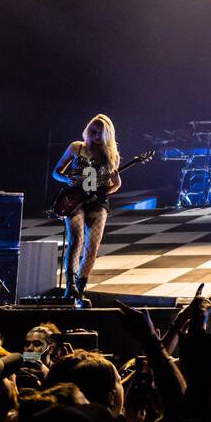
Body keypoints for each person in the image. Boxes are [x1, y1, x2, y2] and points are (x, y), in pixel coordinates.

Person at [51, 114, 122, 300]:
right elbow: (56, 172)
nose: (96, 135)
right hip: (74, 198)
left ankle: (81, 287)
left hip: (98, 201)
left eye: (100, 133)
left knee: (93, 245)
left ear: (107, 135)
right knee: (76, 239)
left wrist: (105, 187)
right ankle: (70, 285)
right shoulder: (76, 147)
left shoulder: (110, 155)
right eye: (93, 131)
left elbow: (117, 183)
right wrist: (67, 178)